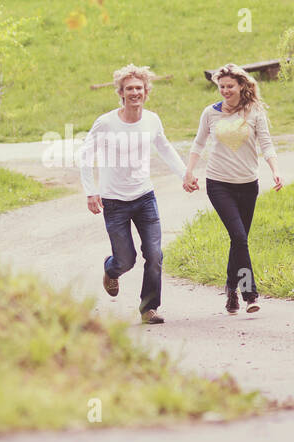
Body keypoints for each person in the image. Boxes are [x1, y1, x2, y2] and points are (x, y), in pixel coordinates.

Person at [78, 64, 196, 324]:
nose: (134, 92)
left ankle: (148, 308)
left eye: (139, 88)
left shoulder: (152, 120)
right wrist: (91, 191)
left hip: (144, 197)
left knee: (154, 254)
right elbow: (86, 155)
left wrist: (184, 175)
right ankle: (111, 270)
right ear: (121, 92)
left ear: (146, 91)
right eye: (129, 88)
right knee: (126, 259)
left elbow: (165, 149)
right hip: (114, 201)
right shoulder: (106, 122)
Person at [183, 63, 282, 315]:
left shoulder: (254, 111)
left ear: (241, 86)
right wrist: (189, 171)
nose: (225, 90)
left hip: (248, 185)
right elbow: (198, 143)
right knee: (239, 237)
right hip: (219, 184)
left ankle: (230, 288)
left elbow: (267, 143)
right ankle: (249, 295)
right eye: (221, 86)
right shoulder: (210, 113)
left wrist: (275, 170)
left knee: (239, 241)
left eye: (230, 86)